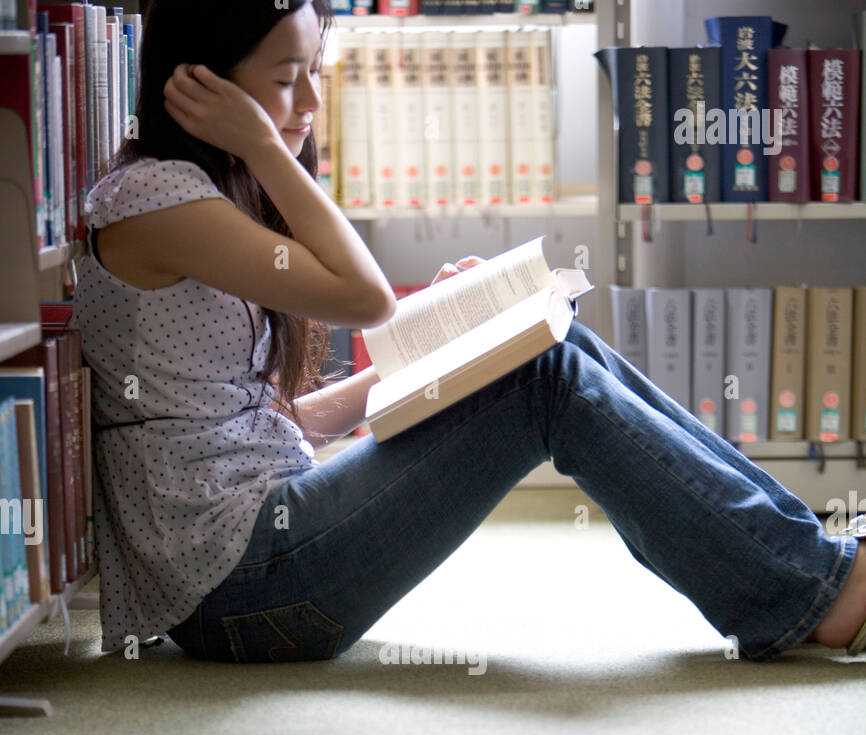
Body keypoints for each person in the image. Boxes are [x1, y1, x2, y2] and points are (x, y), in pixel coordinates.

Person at [70, 0, 866, 665]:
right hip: (241, 589)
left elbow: (284, 418)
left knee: (546, 345)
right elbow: (364, 295)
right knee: (544, 383)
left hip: (258, 549)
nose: (310, 101)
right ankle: (813, 593)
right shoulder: (156, 202)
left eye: (315, 69)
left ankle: (815, 565)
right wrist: (267, 147)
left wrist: (445, 345)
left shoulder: (195, 195)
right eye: (285, 81)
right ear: (205, 85)